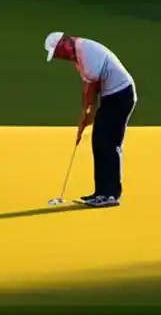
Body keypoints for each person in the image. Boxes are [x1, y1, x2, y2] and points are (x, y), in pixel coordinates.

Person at [44, 31, 137, 208]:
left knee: (107, 143)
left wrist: (86, 116)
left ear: (65, 44)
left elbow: (91, 90)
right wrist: (85, 117)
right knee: (100, 141)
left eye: (58, 53)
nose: (60, 58)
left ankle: (109, 194)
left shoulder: (86, 51)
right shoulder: (79, 56)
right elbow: (88, 91)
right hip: (112, 96)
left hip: (121, 95)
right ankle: (101, 192)